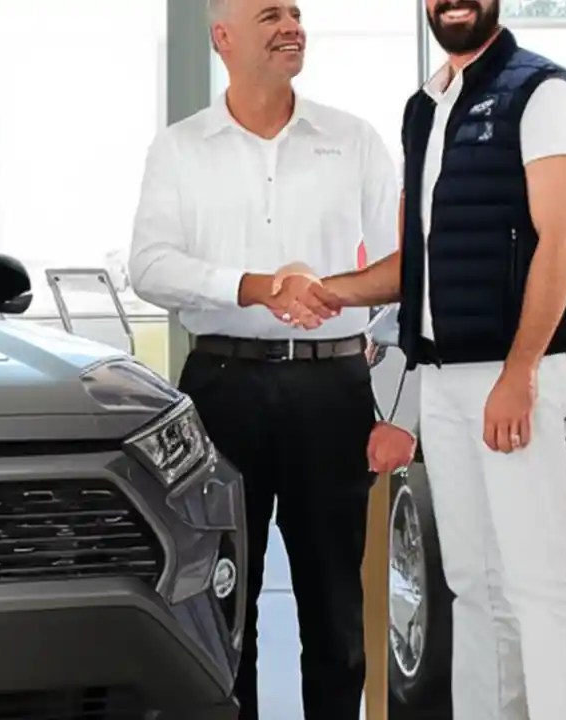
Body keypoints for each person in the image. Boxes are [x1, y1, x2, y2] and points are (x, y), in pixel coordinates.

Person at [277, 2, 566, 718]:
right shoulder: (425, 107)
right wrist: (328, 292)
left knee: (536, 583)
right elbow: (419, 263)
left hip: (513, 377)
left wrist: (521, 371)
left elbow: (562, 240)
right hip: (442, 380)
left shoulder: (544, 93)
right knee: (473, 584)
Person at [126, 1, 400, 717]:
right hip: (223, 389)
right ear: (223, 38)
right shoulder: (180, 149)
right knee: (223, 602)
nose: (292, 26)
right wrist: (254, 286)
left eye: (298, 14)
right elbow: (149, 266)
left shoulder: (355, 140)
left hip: (333, 386)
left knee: (337, 605)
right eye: (271, 14)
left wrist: (327, 293)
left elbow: (409, 262)